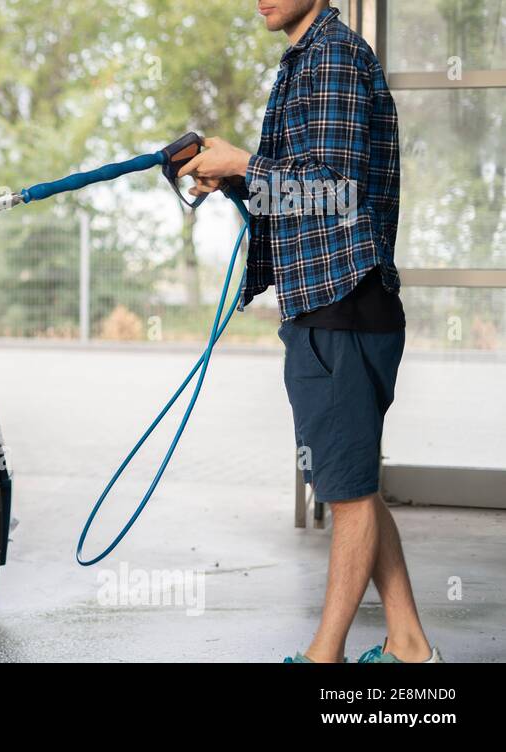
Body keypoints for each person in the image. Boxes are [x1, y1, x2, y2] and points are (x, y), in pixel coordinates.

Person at [177, 0, 441, 663]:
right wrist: (235, 180)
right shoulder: (307, 60)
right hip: (326, 306)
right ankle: (409, 644)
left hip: (343, 305)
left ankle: (324, 658)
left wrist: (244, 163)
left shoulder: (332, 58)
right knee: (352, 483)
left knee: (347, 497)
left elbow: (336, 191)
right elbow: (297, 198)